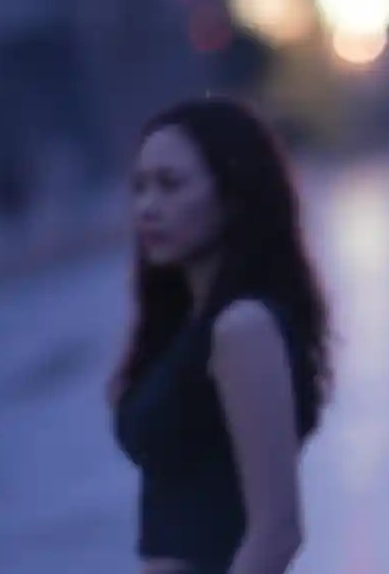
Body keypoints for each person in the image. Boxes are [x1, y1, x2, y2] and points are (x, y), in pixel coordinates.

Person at [110, 97, 331, 574]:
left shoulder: (242, 328)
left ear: (232, 196)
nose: (148, 207)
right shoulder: (186, 325)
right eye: (140, 187)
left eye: (170, 186)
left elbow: (277, 533)